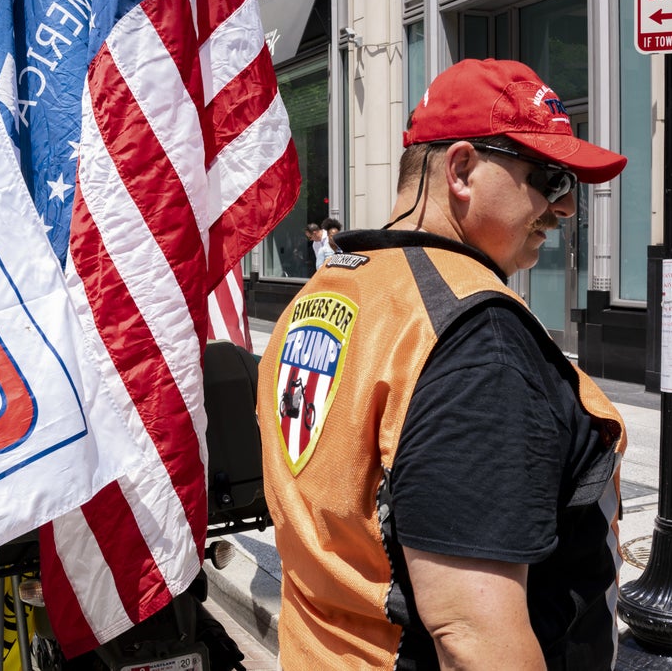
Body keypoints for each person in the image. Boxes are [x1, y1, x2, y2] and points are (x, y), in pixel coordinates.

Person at [258, 58, 629, 670]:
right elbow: (474, 638)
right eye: (552, 180)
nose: (566, 211)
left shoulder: (326, 291)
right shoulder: (478, 339)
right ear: (461, 168)